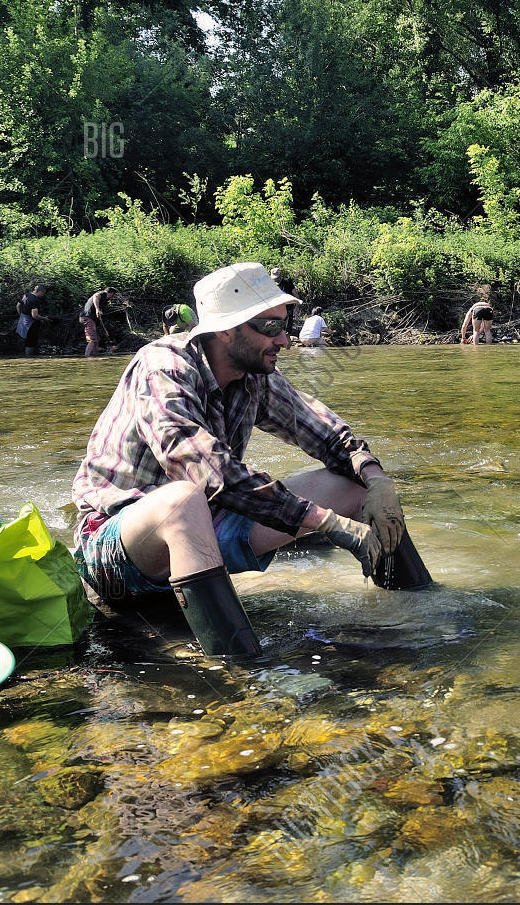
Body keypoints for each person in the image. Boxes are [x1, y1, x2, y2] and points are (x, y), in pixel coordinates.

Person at [70, 262, 416, 657]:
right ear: (225, 330)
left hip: (208, 525)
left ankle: (423, 610)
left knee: (353, 486)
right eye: (270, 327)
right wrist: (322, 522)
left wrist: (376, 478)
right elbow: (202, 468)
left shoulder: (256, 375)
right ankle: (240, 668)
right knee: (184, 500)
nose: (285, 340)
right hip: (118, 550)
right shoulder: (162, 367)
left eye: (286, 324)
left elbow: (326, 433)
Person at [14, 282, 51, 357]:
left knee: (25, 339)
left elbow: (17, 306)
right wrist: (45, 319)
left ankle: (26, 356)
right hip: (31, 323)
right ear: (40, 291)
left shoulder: (25, 295)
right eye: (43, 293)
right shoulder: (35, 300)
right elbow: (35, 316)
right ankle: (29, 358)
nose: (43, 295)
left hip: (22, 320)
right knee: (31, 341)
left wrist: (21, 315)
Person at [80, 288, 116, 357]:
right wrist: (97, 309)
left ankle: (95, 356)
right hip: (87, 318)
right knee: (92, 340)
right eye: (112, 295)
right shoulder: (103, 294)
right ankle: (87, 357)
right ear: (111, 293)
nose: (112, 297)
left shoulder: (104, 301)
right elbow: (96, 296)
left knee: (96, 340)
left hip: (88, 318)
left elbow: (100, 316)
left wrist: (105, 330)